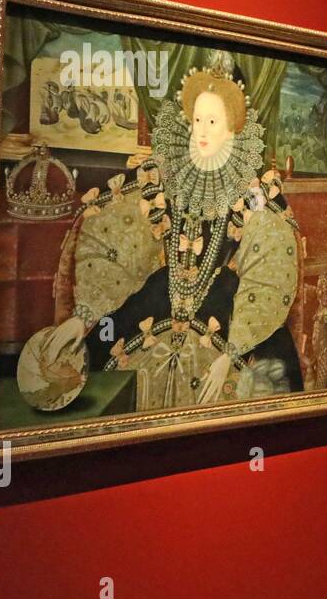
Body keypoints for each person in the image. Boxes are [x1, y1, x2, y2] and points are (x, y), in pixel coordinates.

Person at [39, 52, 303, 410]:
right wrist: (85, 316)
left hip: (229, 310)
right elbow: (119, 240)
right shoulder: (161, 175)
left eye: (213, 120)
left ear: (233, 126)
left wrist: (232, 349)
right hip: (156, 298)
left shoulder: (255, 193)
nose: (203, 130)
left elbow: (269, 271)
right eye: (197, 119)